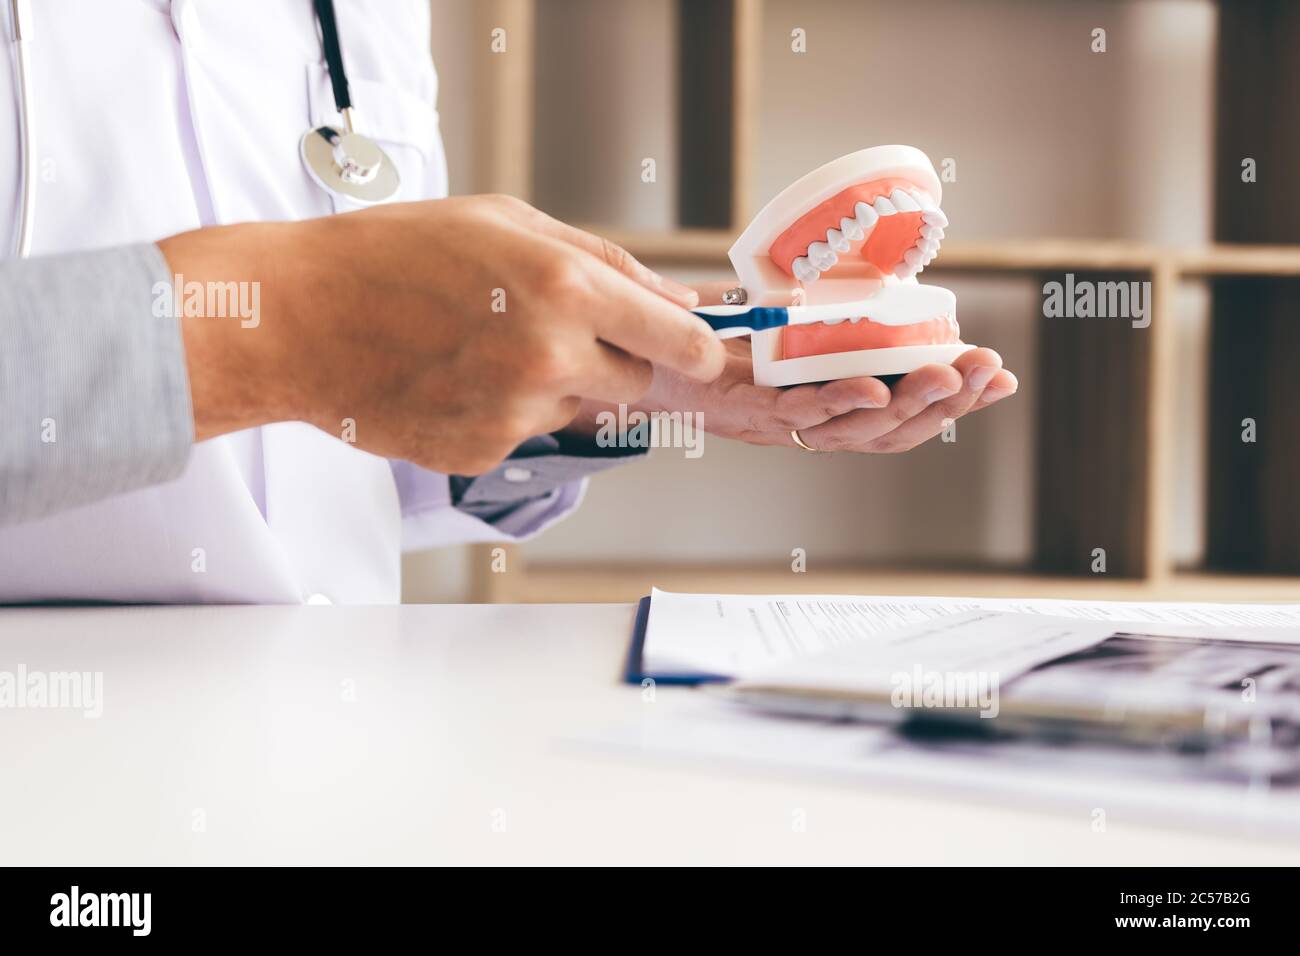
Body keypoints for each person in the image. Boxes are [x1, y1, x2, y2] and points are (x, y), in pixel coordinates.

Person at [0, 0, 1016, 604]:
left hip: (330, 732)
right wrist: (276, 330)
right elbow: (303, 340)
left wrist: (610, 377)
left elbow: (328, 441)